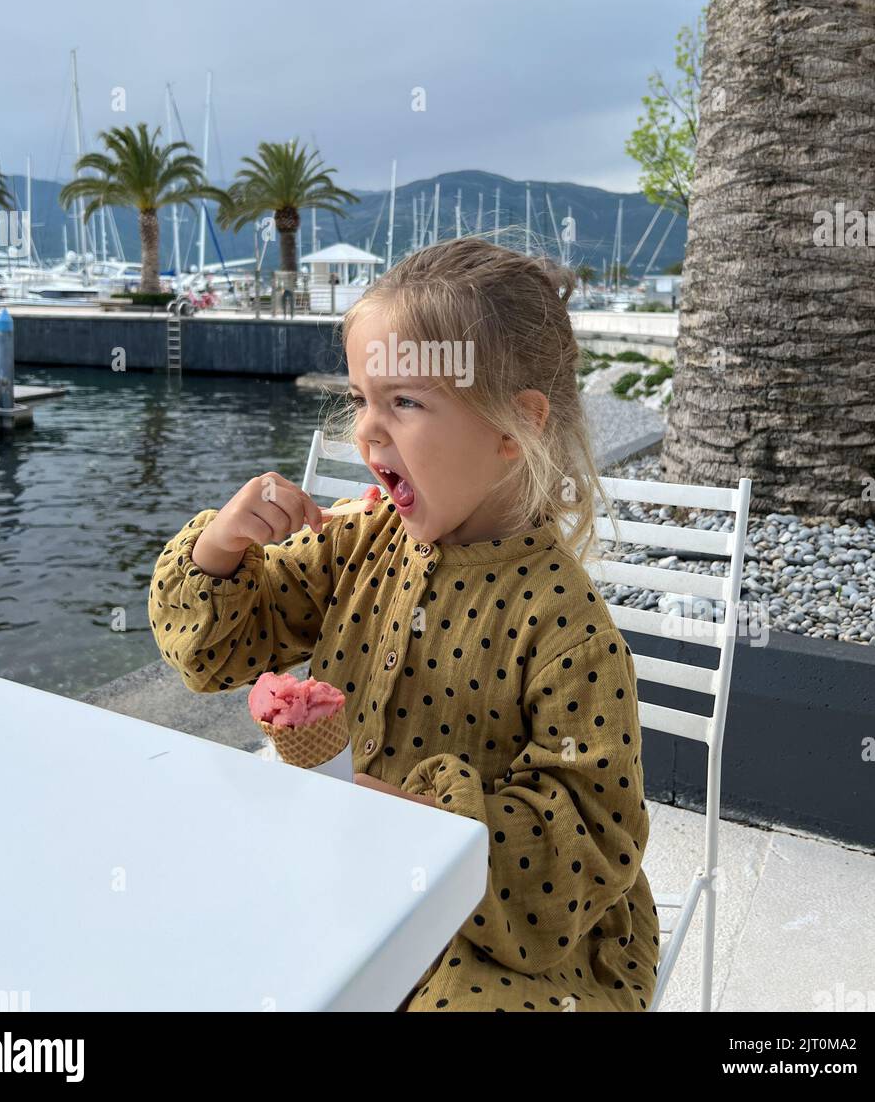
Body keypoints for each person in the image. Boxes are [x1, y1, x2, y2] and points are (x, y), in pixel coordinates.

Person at [147, 237, 659, 1012]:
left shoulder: (565, 628)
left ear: (512, 430)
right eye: (360, 398)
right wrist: (222, 549)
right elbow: (217, 654)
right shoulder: (358, 540)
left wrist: (427, 822)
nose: (367, 432)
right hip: (349, 869)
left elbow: (590, 836)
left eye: (404, 402)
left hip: (499, 930)